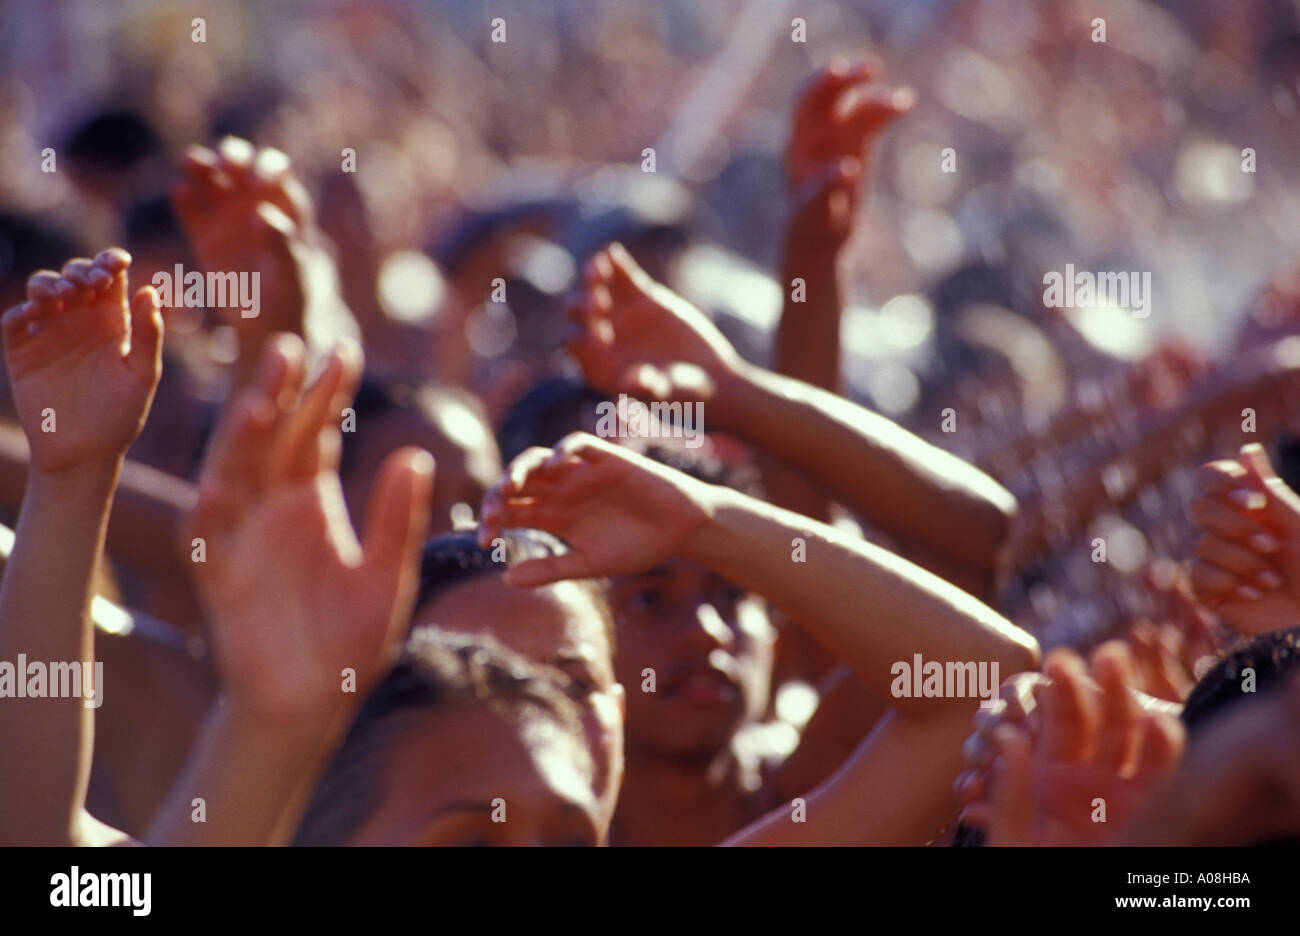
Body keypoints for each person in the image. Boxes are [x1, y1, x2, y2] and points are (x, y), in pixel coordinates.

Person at [479, 431, 1039, 844]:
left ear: (777, 637)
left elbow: (983, 668)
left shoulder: (814, 774)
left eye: (729, 596)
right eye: (649, 599)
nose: (703, 633)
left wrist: (707, 510)